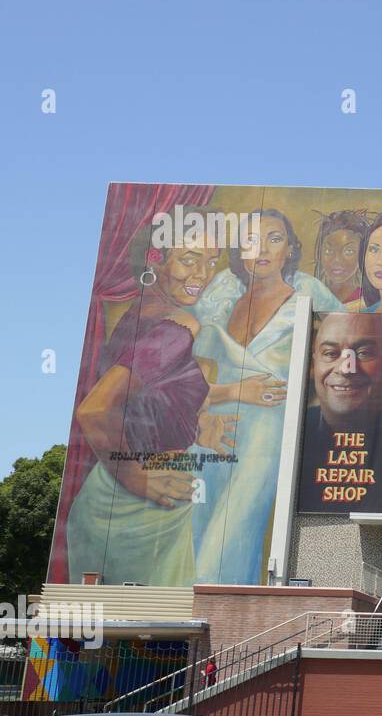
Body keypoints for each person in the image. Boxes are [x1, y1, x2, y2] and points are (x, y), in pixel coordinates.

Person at [66, 230, 232, 586]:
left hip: (113, 505)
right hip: (139, 515)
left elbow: (153, 397)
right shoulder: (180, 326)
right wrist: (137, 477)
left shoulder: (144, 313)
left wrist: (199, 419)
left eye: (212, 261)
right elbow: (94, 410)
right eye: (189, 259)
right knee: (159, 634)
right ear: (156, 261)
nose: (203, 274)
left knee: (106, 635)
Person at [191, 208, 341, 584]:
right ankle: (193, 635)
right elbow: (191, 383)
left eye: (274, 238)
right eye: (252, 240)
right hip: (211, 433)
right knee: (196, 539)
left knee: (229, 540)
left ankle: (218, 630)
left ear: (289, 248)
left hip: (267, 435)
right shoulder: (221, 303)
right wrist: (219, 402)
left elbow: (335, 366)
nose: (262, 249)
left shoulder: (307, 302)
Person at [296, 313, 382, 514]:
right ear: (313, 364)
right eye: (330, 354)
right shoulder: (290, 436)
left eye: (363, 353)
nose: (346, 368)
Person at [312, 209, 370, 306]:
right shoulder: (311, 298)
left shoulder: (370, 302)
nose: (337, 260)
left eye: (349, 251)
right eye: (329, 251)